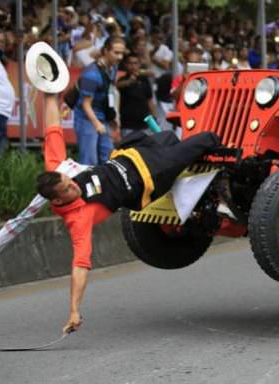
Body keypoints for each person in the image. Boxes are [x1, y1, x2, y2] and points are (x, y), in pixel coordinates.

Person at [27, 43, 221, 333]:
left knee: (168, 135)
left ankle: (199, 175)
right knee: (207, 139)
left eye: (70, 181)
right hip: (152, 177)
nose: (73, 185)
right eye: (68, 190)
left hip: (132, 154)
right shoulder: (78, 220)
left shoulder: (57, 167)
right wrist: (74, 310)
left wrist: (50, 90)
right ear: (58, 199)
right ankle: (226, 175)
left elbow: (52, 127)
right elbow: (80, 267)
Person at [73, 36, 125, 165]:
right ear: (106, 51)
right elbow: (86, 105)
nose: (120, 57)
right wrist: (96, 124)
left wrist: (114, 117)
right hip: (87, 119)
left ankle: (104, 185)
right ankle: (86, 185)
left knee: (108, 158)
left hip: (103, 117)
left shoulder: (113, 68)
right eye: (116, 53)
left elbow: (111, 92)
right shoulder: (91, 74)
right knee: (89, 161)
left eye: (122, 53)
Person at [117, 53, 155, 138]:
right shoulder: (122, 80)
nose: (133, 66)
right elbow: (118, 85)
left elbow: (149, 100)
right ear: (125, 65)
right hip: (127, 125)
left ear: (139, 65)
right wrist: (130, 81)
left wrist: (154, 118)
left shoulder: (144, 80)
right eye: (130, 63)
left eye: (135, 63)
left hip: (144, 124)